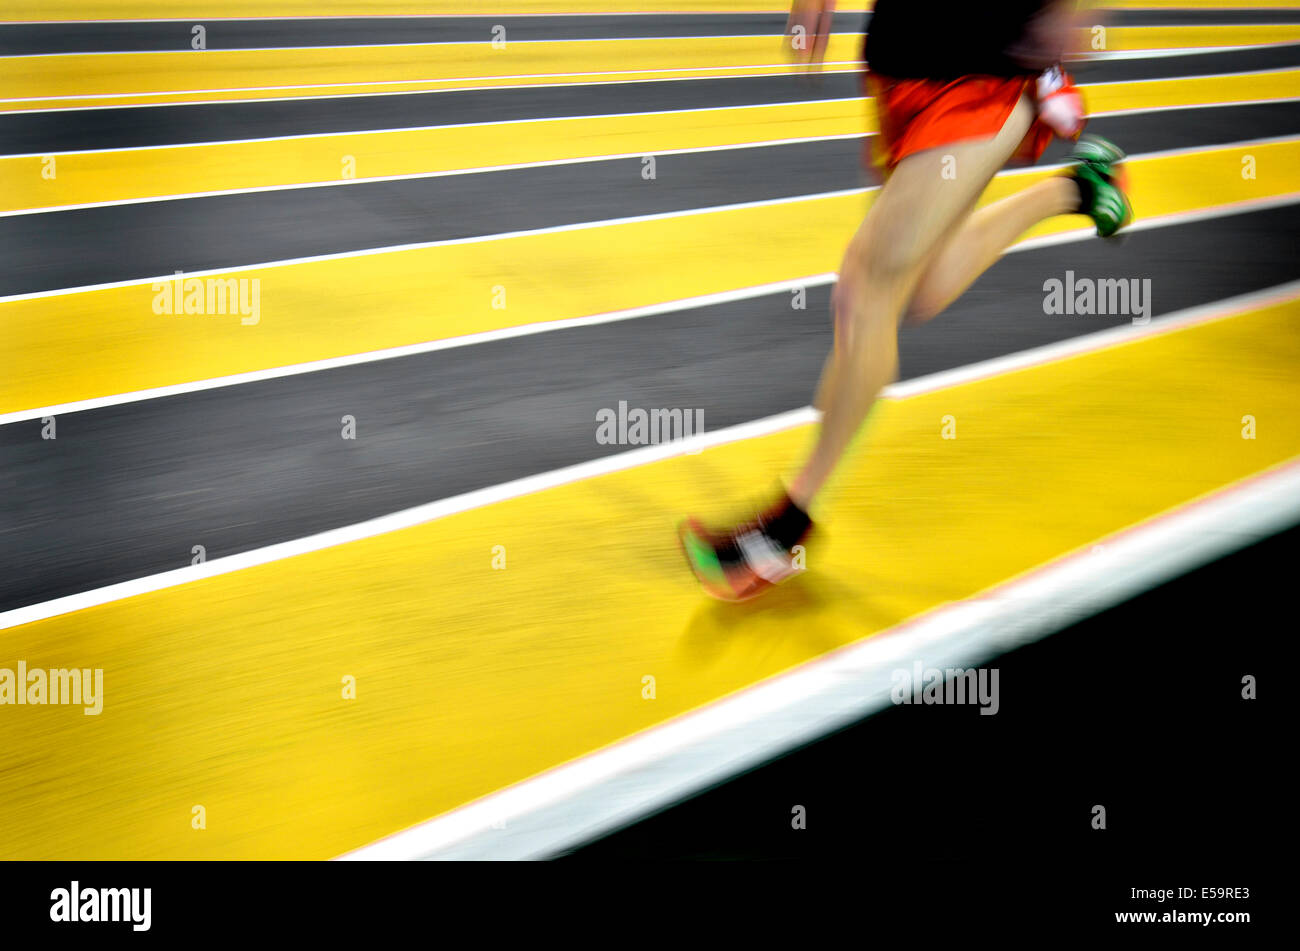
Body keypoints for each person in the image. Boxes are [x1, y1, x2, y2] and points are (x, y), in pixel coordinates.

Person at [679, 0, 1132, 601]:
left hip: (986, 76)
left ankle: (786, 529)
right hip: (905, 64)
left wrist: (1069, 10)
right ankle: (1077, 190)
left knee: (867, 289)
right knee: (918, 289)